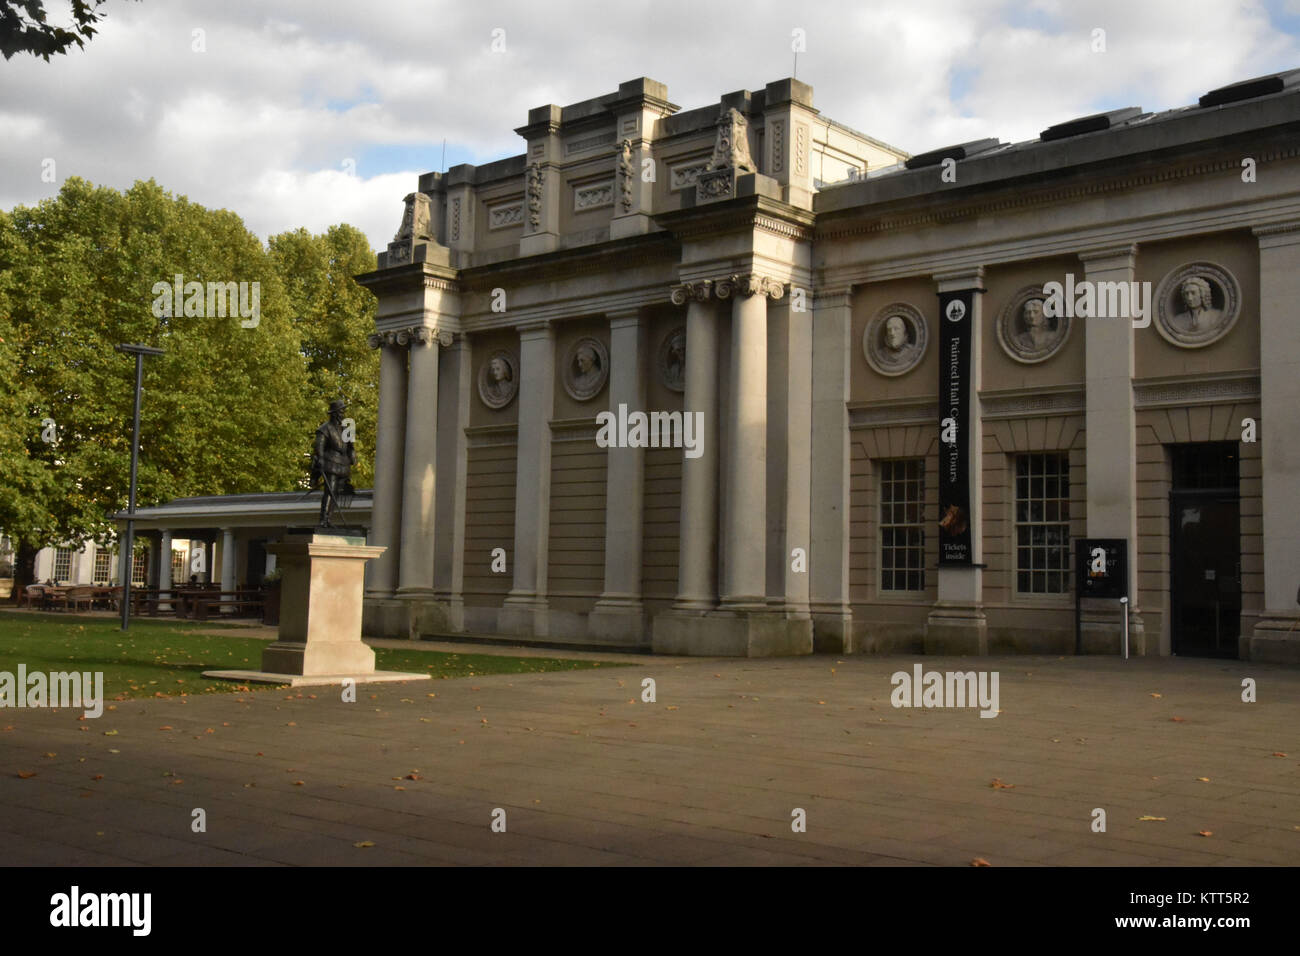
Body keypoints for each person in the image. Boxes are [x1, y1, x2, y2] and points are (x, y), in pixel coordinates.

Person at [311, 398, 356, 527]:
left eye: (343, 411)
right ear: (335, 413)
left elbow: (351, 447)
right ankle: (323, 519)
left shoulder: (345, 429)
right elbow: (319, 446)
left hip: (343, 463)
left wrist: (352, 456)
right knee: (330, 490)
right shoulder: (324, 429)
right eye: (341, 411)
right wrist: (320, 458)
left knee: (335, 492)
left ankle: (329, 519)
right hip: (330, 462)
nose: (343, 414)